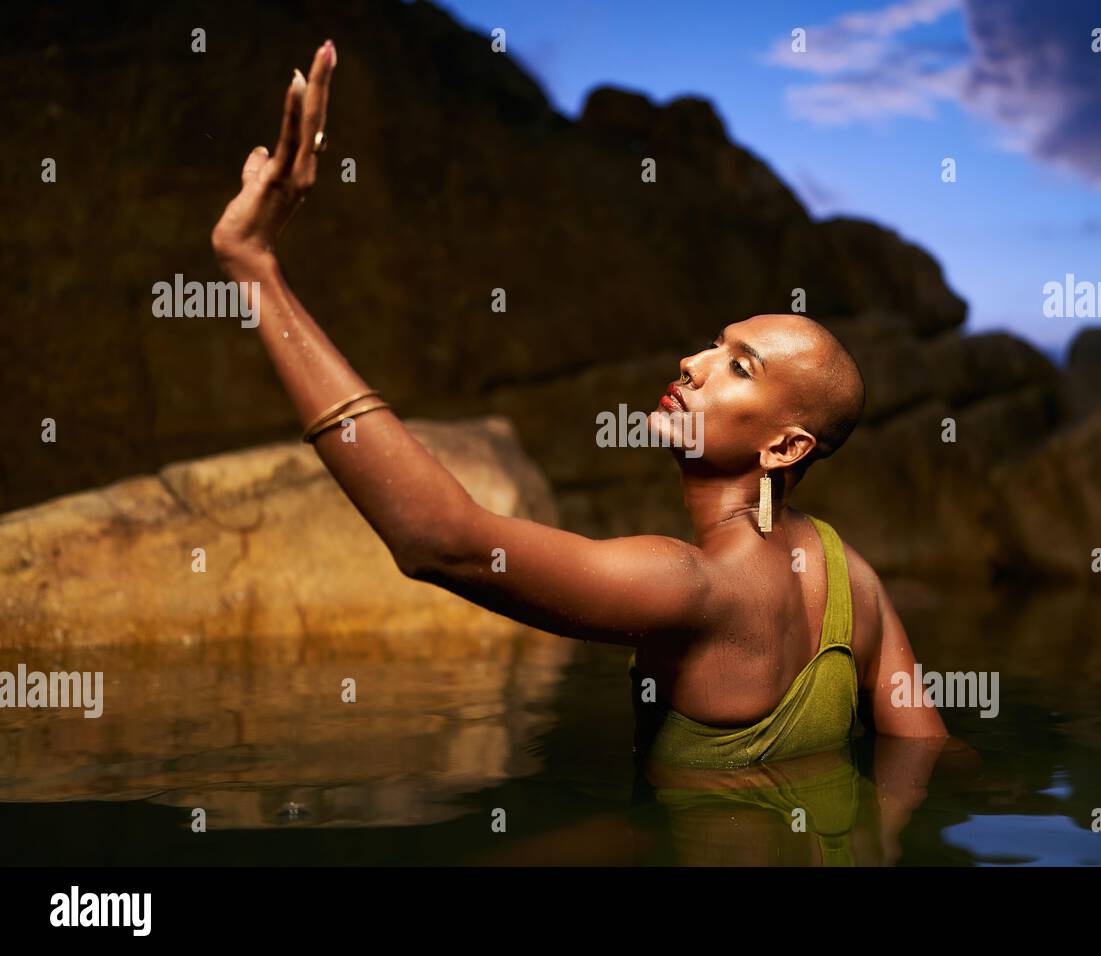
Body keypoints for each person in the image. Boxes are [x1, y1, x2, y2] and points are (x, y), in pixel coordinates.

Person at [210, 41, 949, 772]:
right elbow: (925, 754)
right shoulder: (854, 579)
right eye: (713, 345)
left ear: (786, 448)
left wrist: (255, 269)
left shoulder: (690, 585)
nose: (691, 364)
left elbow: (439, 540)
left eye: (738, 367)